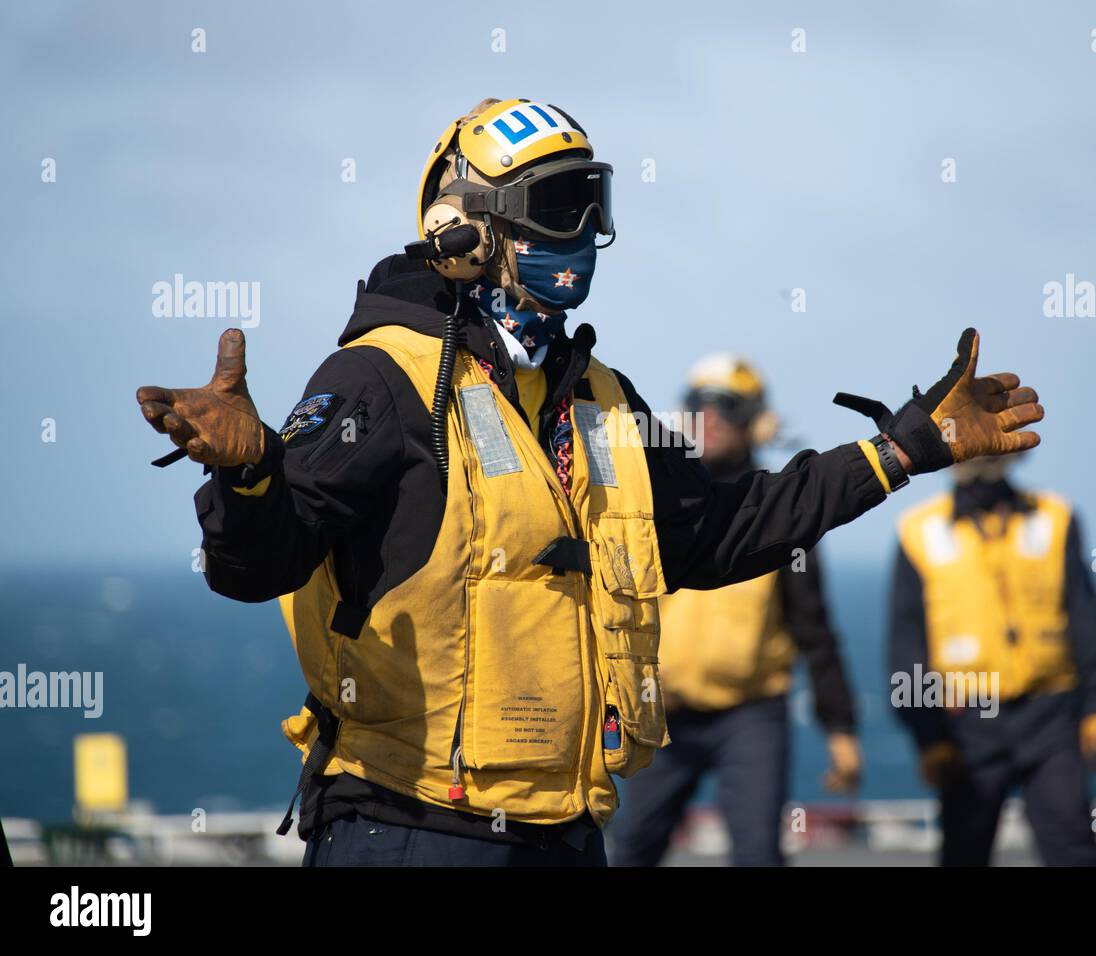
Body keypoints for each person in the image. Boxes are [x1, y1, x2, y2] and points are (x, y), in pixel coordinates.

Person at [135, 96, 1044, 867]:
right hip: (407, 829)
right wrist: (251, 476)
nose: (582, 233)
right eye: (556, 204)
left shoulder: (601, 400)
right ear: (467, 228)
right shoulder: (381, 378)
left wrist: (900, 452)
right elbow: (258, 565)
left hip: (566, 833)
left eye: (591, 203)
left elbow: (723, 528)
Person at [612, 356, 861, 866]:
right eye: (698, 405)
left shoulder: (780, 520)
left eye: (727, 406)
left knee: (757, 853)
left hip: (751, 714)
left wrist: (841, 729)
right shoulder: (660, 504)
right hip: (664, 712)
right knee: (633, 847)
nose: (710, 418)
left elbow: (814, 629)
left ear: (754, 419)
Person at [888, 454, 1096, 866]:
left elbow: (1086, 619)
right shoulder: (918, 530)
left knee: (1072, 844)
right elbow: (907, 643)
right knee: (964, 850)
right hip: (966, 723)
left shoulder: (1055, 518)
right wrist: (930, 736)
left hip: (1051, 712)